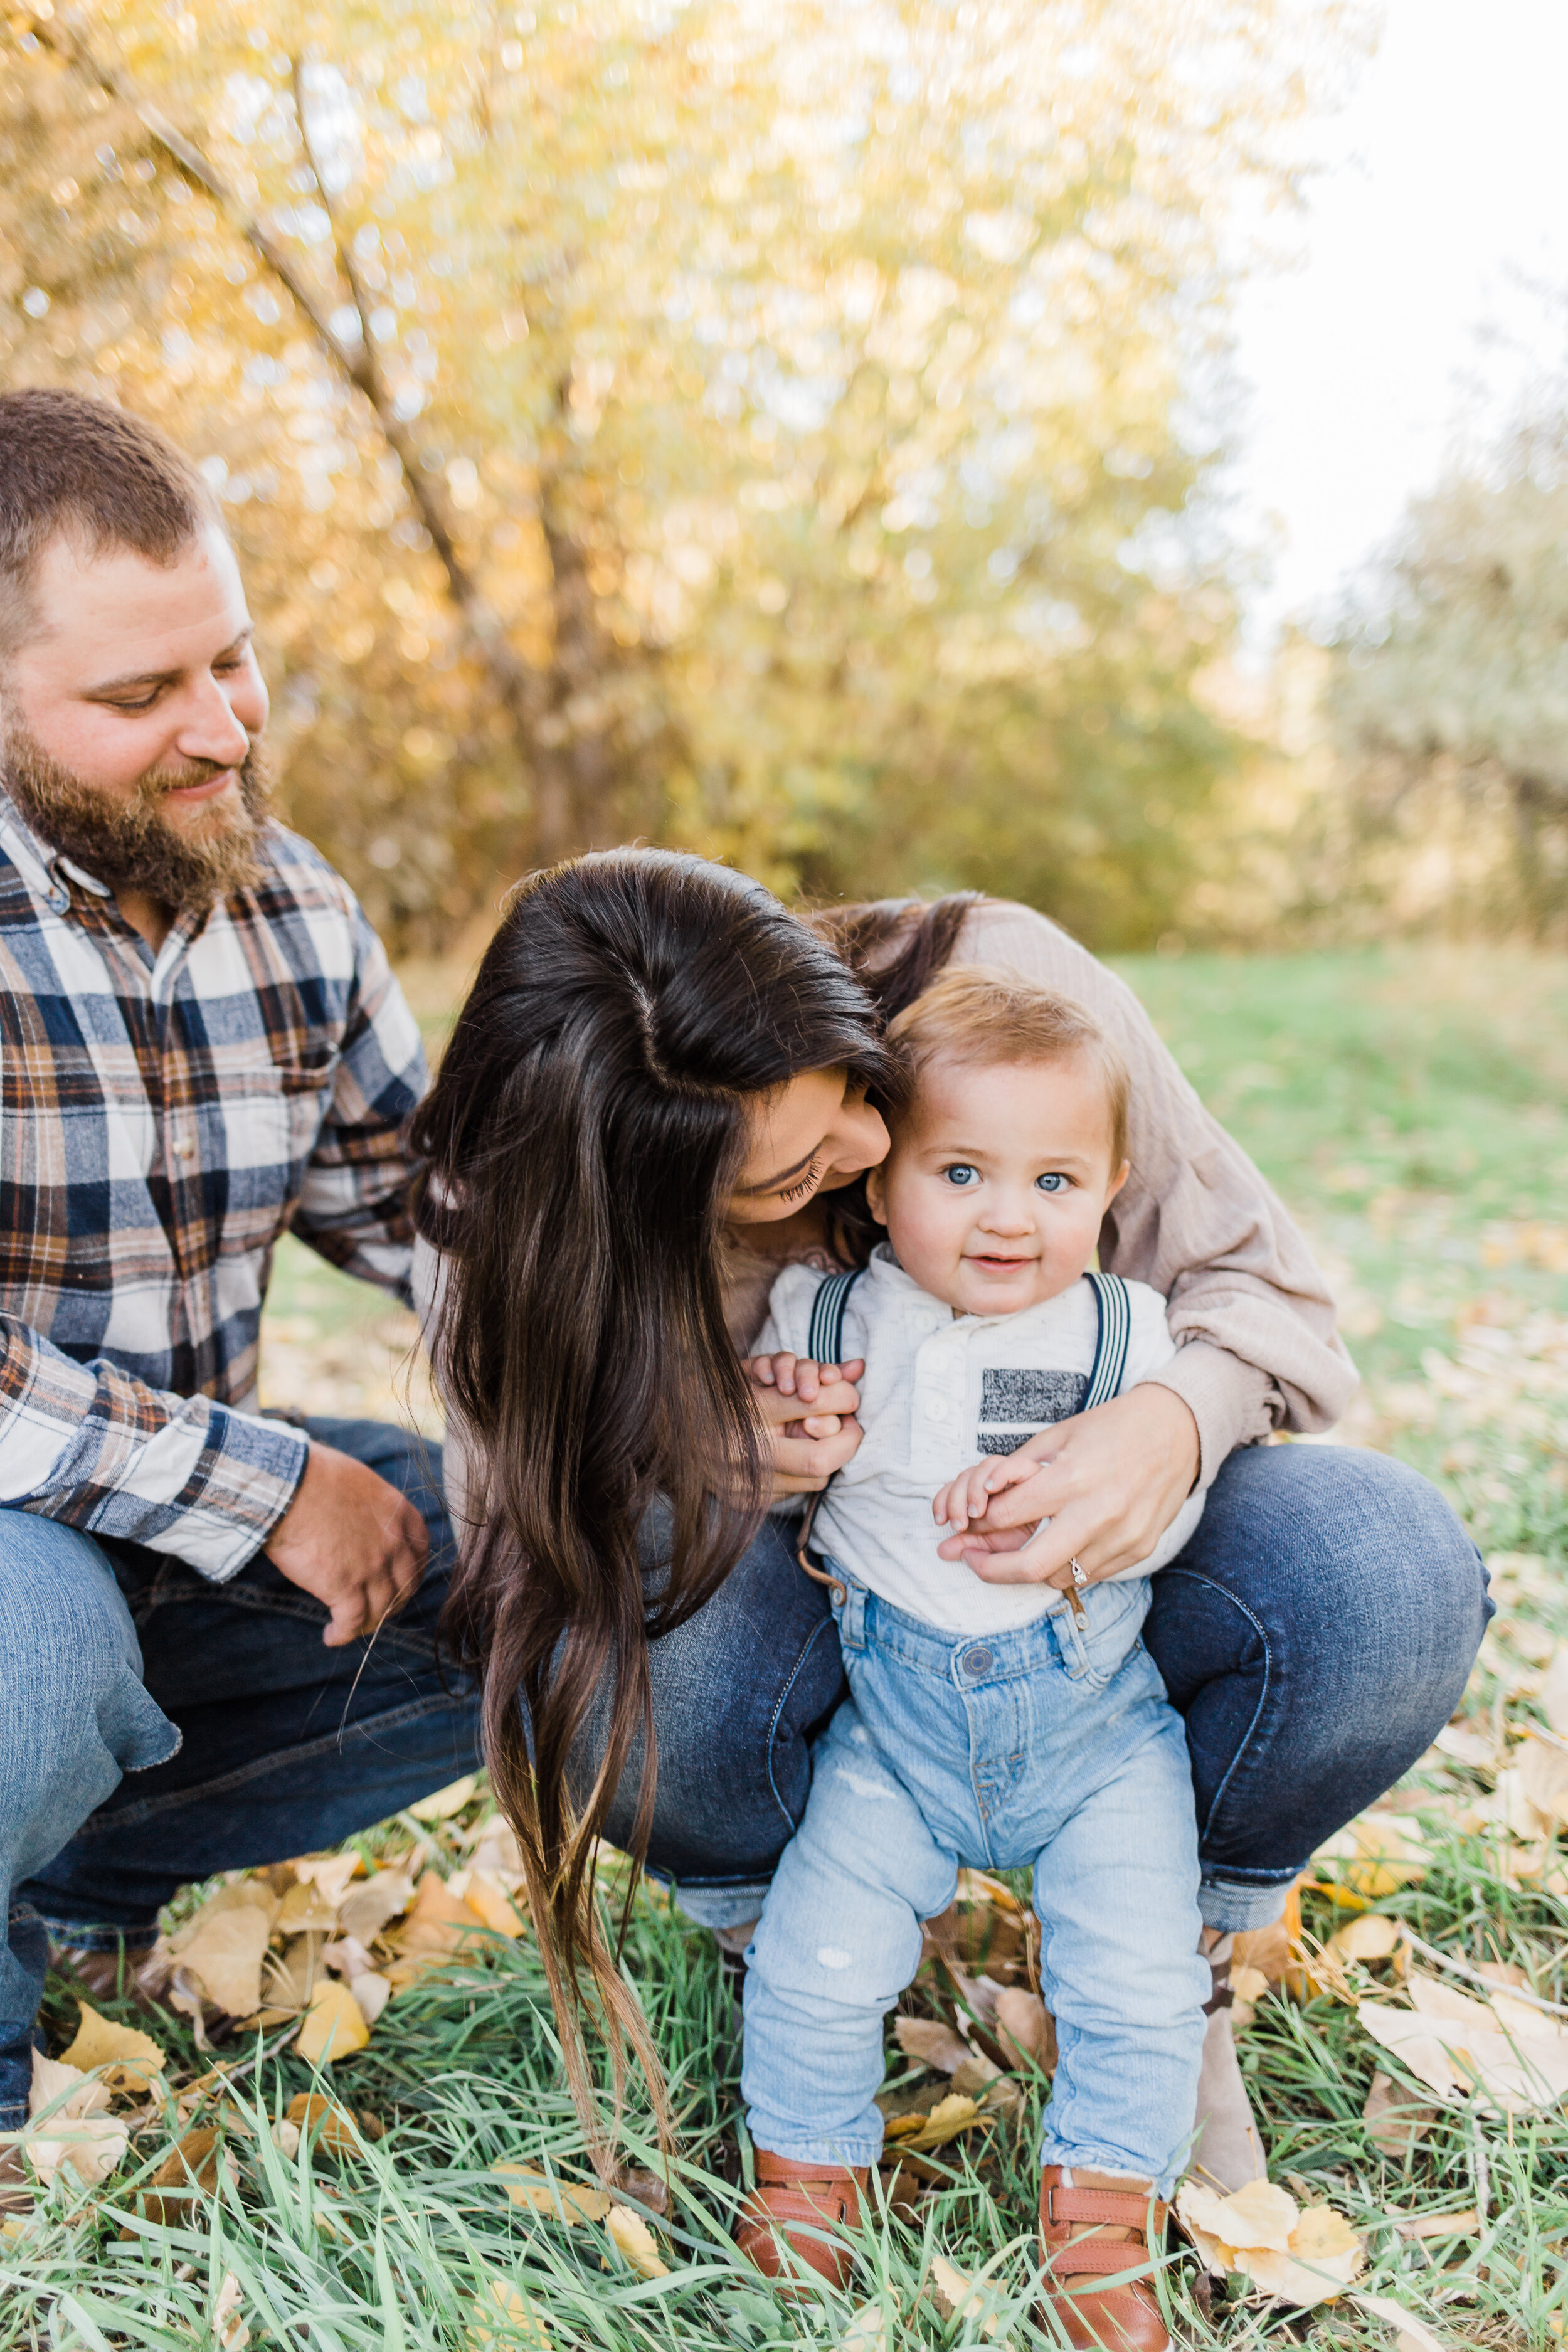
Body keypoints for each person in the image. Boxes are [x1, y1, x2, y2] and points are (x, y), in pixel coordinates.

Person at [414, 849, 1489, 2198]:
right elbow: (513, 1538)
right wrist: (690, 1450)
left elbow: (1261, 1283)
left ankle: (1167, 1946)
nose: (867, 1156)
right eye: (787, 1177)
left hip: (1097, 1612)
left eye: (850, 1102)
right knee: (613, 1644)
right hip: (819, 1612)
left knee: (1381, 1564)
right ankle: (798, 1932)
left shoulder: (1002, 990)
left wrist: (1171, 1422)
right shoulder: (507, 1214)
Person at [0, 388, 484, 2158]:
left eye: (233, 659)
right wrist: (270, 1477)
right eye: (138, 697)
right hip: (32, 1576)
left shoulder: (288, 907)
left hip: (173, 1555)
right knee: (26, 1633)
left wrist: (677, 1353)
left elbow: (430, 1212)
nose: (220, 728)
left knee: (586, 1546)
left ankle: (78, 1872)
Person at [736, 967, 1212, 2343]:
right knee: (814, 1964)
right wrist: (772, 1424)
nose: (1010, 1216)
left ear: (1111, 1185)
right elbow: (767, 1460)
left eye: (1055, 1182)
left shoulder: (1123, 1332)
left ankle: (1106, 2206)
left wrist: (1110, 1516)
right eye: (960, 1172)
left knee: (1133, 1977)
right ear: (880, 1183)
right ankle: (807, 2171)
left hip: (1096, 1736)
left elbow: (1172, 1505)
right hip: (892, 1737)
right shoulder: (823, 1317)